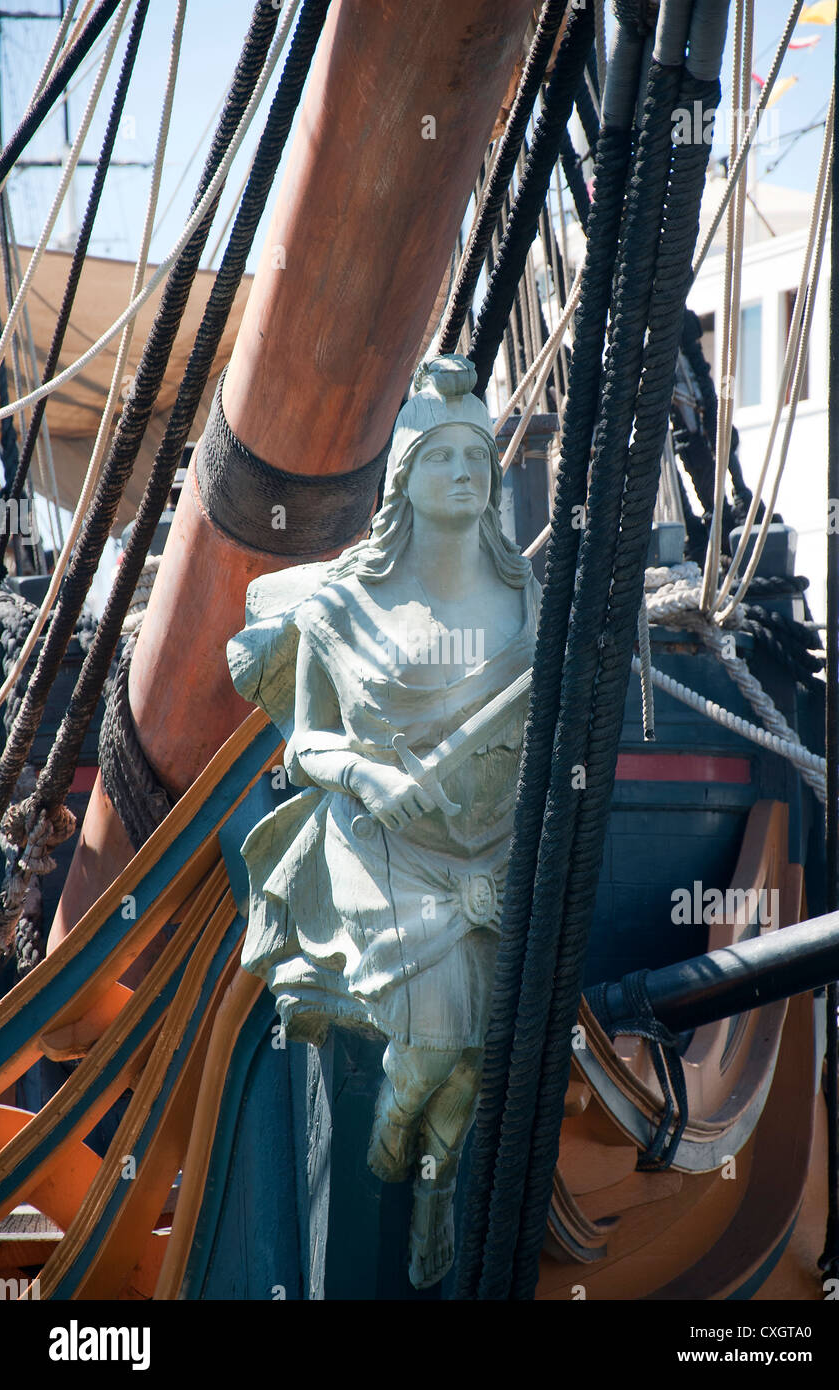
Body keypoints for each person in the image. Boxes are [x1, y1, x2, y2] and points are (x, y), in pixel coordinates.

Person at [227, 354, 539, 1288]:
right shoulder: (341, 607)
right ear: (403, 479)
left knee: (486, 1054)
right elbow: (307, 749)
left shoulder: (525, 604)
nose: (463, 472)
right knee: (438, 1037)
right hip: (387, 849)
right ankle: (397, 1138)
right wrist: (370, 774)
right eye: (439, 456)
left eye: (475, 458)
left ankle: (435, 1180)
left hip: (493, 848)